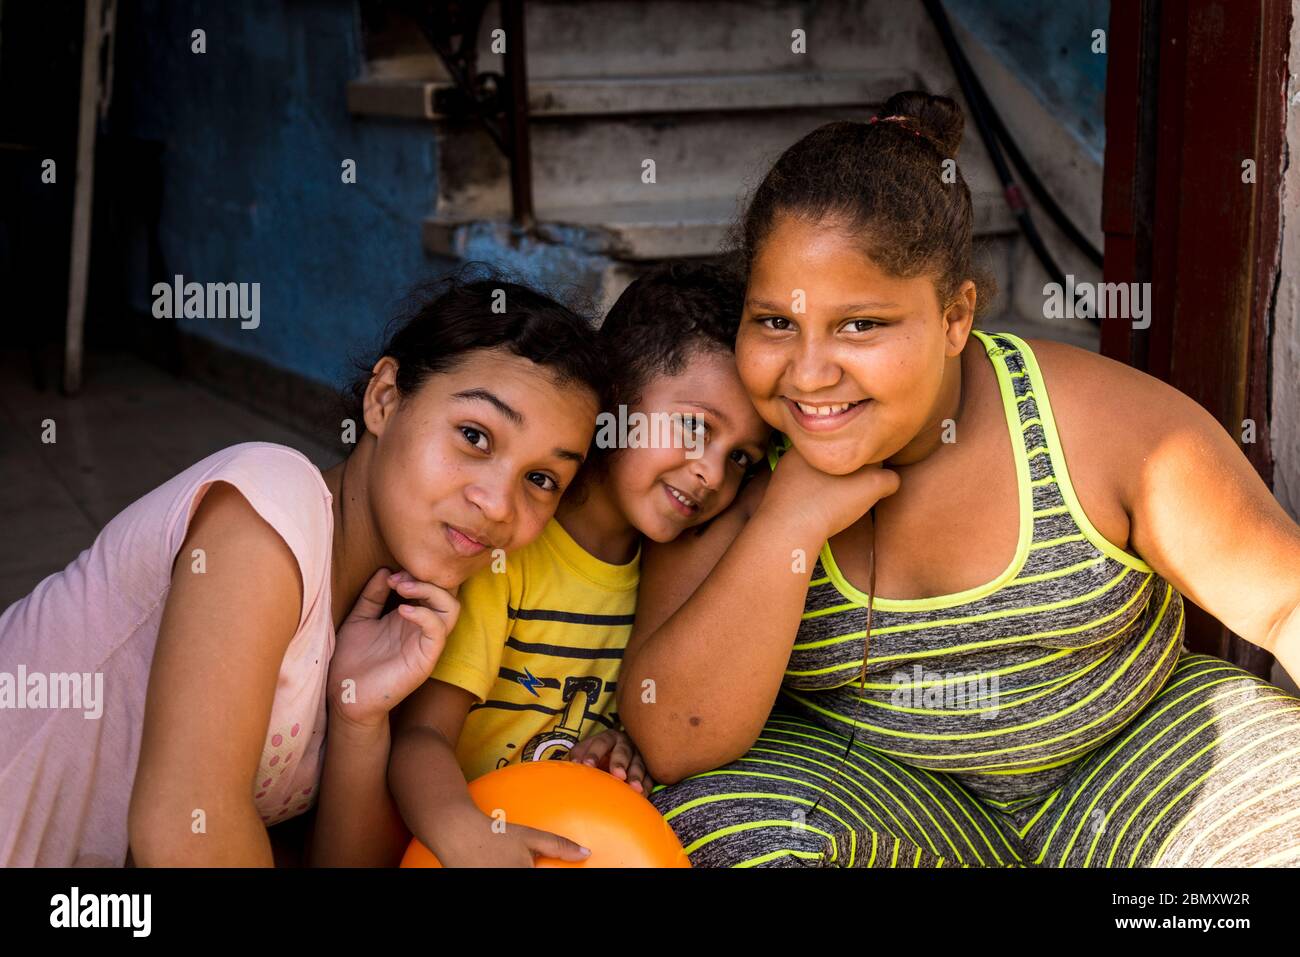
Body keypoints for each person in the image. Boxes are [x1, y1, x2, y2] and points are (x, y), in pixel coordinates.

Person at [620, 92, 1300, 868]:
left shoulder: (1099, 424)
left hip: (1133, 763)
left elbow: (1285, 604)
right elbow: (672, 738)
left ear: (954, 316)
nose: (808, 373)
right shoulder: (732, 460)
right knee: (711, 828)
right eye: (775, 321)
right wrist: (788, 525)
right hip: (889, 793)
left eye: (861, 325)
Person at [0, 273, 607, 867]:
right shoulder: (268, 506)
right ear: (385, 398)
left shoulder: (408, 611)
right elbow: (185, 835)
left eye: (541, 479)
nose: (499, 505)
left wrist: (357, 715)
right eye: (474, 435)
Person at [390, 261, 772, 866]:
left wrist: (609, 747)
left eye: (743, 458)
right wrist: (463, 831)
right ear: (614, 403)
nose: (712, 472)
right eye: (696, 428)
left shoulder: (666, 579)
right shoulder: (504, 551)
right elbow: (418, 737)